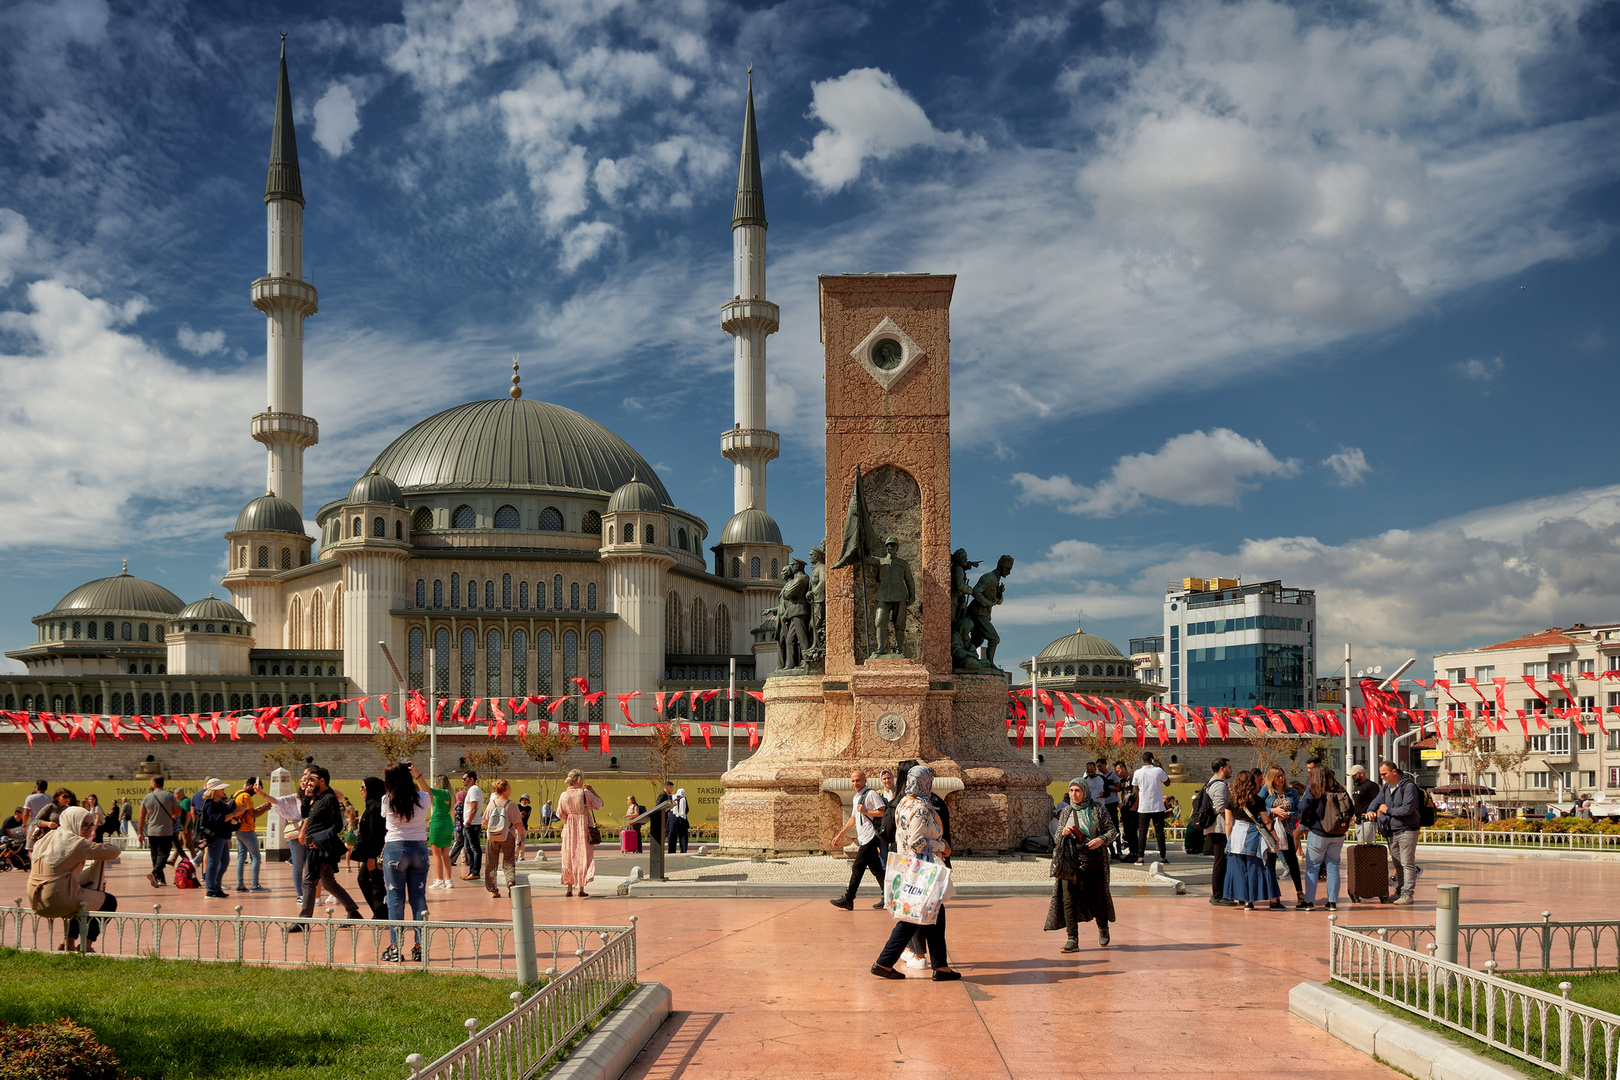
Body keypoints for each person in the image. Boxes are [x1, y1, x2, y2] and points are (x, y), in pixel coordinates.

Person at [869, 766, 960, 981]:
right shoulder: (919, 807)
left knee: (935, 915)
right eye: (930, 780)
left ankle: (941, 967)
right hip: (921, 870)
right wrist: (942, 846)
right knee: (912, 919)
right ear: (924, 782)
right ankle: (883, 962)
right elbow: (916, 842)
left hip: (911, 867)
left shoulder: (904, 802)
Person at [27, 806, 120, 953]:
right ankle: (86, 945)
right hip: (55, 900)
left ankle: (68, 942)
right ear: (72, 823)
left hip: (36, 899)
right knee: (108, 902)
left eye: (91, 824)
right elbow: (113, 852)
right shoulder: (75, 843)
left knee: (80, 898)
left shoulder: (49, 837)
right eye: (84, 824)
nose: (89, 829)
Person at [1046, 776, 1117, 951]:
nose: (1074, 794)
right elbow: (1056, 840)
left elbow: (1112, 831)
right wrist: (1063, 832)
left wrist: (1101, 840)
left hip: (1093, 860)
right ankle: (1072, 939)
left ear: (1085, 792)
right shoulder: (1066, 812)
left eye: (1077, 791)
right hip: (1070, 861)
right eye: (1071, 791)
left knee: (1097, 897)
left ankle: (1102, 927)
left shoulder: (1098, 810)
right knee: (1068, 899)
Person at [375, 762, 432, 962]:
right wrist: (418, 775)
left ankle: (395, 947)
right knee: (419, 899)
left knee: (395, 899)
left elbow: (385, 816)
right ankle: (419, 946)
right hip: (419, 849)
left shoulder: (387, 800)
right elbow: (429, 795)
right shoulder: (422, 798)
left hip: (395, 851)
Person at [293, 766, 363, 927]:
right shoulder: (317, 798)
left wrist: (318, 840)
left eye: (312, 779)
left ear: (322, 781)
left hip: (320, 847)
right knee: (328, 882)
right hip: (314, 845)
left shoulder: (329, 799)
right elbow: (305, 815)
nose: (309, 782)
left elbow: (337, 826)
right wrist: (306, 796)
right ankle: (353, 912)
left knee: (309, 881)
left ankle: (304, 920)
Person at [1220, 769, 1279, 910]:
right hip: (1252, 835)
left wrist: (1229, 840)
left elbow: (1228, 823)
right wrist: (1275, 838)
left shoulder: (1231, 800)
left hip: (1236, 837)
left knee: (1238, 870)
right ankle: (1250, 900)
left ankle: (1243, 899)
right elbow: (1266, 821)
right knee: (1253, 868)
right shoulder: (1257, 800)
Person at [829, 768, 887, 911]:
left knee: (857, 867)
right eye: (853, 781)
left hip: (871, 837)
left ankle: (849, 899)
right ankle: (890, 897)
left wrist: (866, 811)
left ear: (864, 780)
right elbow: (854, 819)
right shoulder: (856, 798)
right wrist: (840, 835)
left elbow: (883, 811)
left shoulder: (871, 794)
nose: (855, 783)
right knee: (877, 870)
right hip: (864, 838)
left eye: (858, 780)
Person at [1370, 761, 1422, 905]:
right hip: (1392, 830)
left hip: (1407, 830)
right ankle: (1399, 891)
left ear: (1394, 772)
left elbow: (1407, 809)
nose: (1382, 777)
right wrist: (1369, 810)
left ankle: (1408, 894)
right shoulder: (1387, 787)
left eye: (1384, 774)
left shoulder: (1408, 786)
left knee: (1407, 863)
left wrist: (1388, 810)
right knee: (1397, 863)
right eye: (1381, 774)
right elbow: (1377, 801)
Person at [1297, 761, 1346, 911]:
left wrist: (1306, 824)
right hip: (1338, 833)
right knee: (1333, 867)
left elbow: (1303, 808)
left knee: (1312, 867)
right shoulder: (1340, 789)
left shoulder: (1313, 790)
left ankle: (1309, 902)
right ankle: (1332, 902)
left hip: (1318, 832)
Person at [259, 769, 311, 904]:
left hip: (312, 832)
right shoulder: (295, 797)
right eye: (302, 781)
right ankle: (300, 894)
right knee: (298, 865)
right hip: (297, 832)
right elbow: (277, 800)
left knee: (311, 865)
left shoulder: (317, 798)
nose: (304, 783)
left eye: (307, 781)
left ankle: (312, 893)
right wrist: (261, 793)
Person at [1261, 766, 1304, 909]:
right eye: (1277, 776)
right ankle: (1274, 899)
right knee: (1271, 864)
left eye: (1282, 775)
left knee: (1292, 862)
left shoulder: (1292, 792)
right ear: (1272, 778)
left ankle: (1300, 894)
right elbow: (1257, 806)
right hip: (1271, 832)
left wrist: (1289, 814)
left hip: (1287, 831)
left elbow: (1298, 811)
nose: (1281, 779)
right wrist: (1272, 810)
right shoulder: (1266, 791)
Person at [557, 769, 604, 898]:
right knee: (582, 855)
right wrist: (592, 790)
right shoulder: (585, 793)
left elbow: (560, 814)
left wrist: (571, 815)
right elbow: (600, 804)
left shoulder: (563, 795)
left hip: (569, 827)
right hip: (583, 826)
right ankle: (581, 888)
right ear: (578, 780)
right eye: (582, 778)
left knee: (569, 856)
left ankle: (569, 888)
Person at [195, 779, 238, 898]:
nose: (223, 790)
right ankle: (211, 889)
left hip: (223, 835)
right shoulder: (209, 803)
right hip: (215, 836)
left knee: (224, 862)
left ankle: (217, 886)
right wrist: (234, 814)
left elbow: (228, 815)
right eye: (221, 788)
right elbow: (217, 819)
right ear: (214, 790)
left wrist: (236, 812)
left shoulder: (219, 803)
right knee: (213, 862)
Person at [354, 776, 389, 919]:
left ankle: (382, 913)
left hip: (374, 854)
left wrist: (372, 857)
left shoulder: (376, 807)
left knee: (374, 882)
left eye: (363, 787)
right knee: (368, 880)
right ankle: (380, 912)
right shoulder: (371, 805)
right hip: (372, 853)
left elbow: (375, 835)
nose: (360, 790)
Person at [232, 778, 272, 893]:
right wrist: (265, 809)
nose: (256, 793)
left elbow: (247, 812)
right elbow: (253, 814)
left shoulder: (237, 794)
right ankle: (254, 884)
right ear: (251, 786)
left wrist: (259, 808)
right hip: (247, 830)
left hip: (239, 830)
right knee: (256, 857)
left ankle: (240, 884)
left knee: (241, 857)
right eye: (256, 791)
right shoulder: (246, 796)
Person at [1204, 759, 1234, 907]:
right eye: (1229, 767)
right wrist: (1234, 805)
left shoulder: (1212, 783)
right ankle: (1217, 895)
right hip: (1219, 827)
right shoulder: (1219, 785)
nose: (1231, 769)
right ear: (1222, 769)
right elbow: (1220, 806)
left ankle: (1219, 893)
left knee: (1221, 860)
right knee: (1220, 861)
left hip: (1217, 827)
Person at [482, 779, 519, 898]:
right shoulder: (512, 805)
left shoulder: (492, 804)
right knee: (508, 860)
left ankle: (493, 889)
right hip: (508, 835)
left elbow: (484, 821)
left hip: (493, 836)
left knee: (491, 862)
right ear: (506, 790)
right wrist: (522, 838)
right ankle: (510, 882)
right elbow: (518, 824)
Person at [1133, 752, 1170, 864]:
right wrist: (1161, 767)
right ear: (1152, 759)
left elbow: (1135, 790)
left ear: (1143, 760)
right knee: (1160, 832)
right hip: (1157, 806)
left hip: (1144, 807)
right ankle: (1163, 857)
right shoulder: (1158, 771)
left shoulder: (1137, 772)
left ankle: (1140, 857)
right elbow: (1168, 783)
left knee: (1143, 832)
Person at [427, 774, 455, 889]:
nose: (434, 784)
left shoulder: (442, 793)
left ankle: (439, 879)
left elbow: (427, 789)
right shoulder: (449, 794)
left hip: (438, 823)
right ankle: (448, 880)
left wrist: (417, 776)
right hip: (447, 823)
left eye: (435, 782)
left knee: (436, 854)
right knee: (445, 854)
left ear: (439, 783)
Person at [459, 771, 484, 881]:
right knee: (468, 848)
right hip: (469, 823)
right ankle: (471, 871)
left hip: (472, 824)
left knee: (474, 848)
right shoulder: (472, 790)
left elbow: (474, 807)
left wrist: (468, 821)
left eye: (465, 778)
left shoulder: (474, 790)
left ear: (472, 779)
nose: (463, 780)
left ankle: (475, 872)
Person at [1113, 761, 1137, 861]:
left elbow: (1136, 793)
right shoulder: (1122, 781)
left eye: (1118, 771)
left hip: (1133, 809)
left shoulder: (1132, 779)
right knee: (1127, 831)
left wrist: (1135, 806)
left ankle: (1136, 853)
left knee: (1133, 831)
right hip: (1125, 808)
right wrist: (1122, 804)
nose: (1117, 773)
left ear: (1123, 769)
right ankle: (1131, 853)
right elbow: (1122, 793)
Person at [1348, 765, 1380, 843]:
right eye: (1352, 775)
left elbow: (1377, 801)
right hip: (1358, 819)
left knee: (1362, 844)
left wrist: (1379, 819)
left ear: (1362, 773)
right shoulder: (1357, 786)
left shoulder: (1371, 786)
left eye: (1355, 775)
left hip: (1368, 819)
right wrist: (1352, 814)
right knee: (1363, 845)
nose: (1353, 777)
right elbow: (1355, 801)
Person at [22, 781, 51, 855]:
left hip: (34, 826)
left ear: (37, 788)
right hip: (46, 827)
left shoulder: (30, 798)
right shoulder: (50, 798)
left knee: (31, 850)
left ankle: (34, 865)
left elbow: (26, 813)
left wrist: (24, 825)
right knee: (45, 849)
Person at [666, 785, 689, 854]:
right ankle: (683, 850)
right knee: (683, 836)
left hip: (673, 820)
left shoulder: (671, 797)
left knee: (672, 836)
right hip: (682, 820)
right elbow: (687, 810)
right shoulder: (684, 799)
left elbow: (667, 807)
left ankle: (671, 851)